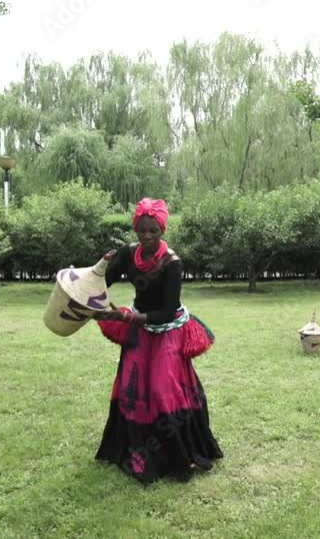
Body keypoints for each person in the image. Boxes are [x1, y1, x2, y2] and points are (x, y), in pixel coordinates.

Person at [91, 198, 222, 483]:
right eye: (142, 230)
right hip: (139, 325)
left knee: (164, 389)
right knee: (131, 388)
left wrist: (127, 319)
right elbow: (102, 283)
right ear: (135, 228)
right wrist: (98, 270)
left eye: (154, 231)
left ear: (162, 230)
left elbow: (165, 311)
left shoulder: (172, 263)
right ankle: (132, 451)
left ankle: (179, 455)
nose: (147, 236)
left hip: (166, 328)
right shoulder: (128, 253)